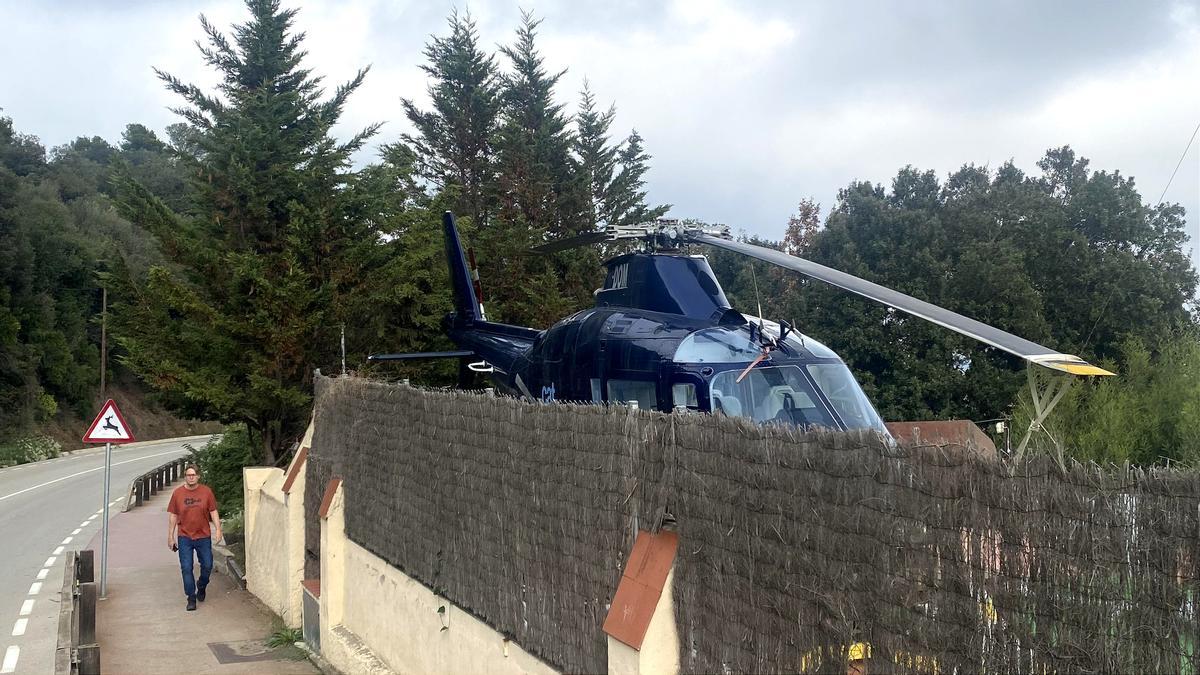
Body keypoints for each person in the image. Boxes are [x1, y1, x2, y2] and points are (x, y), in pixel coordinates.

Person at [166, 464, 222, 611]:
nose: (191, 477)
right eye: (188, 475)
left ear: (198, 476)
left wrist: (218, 529)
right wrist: (170, 536)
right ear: (185, 477)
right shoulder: (178, 494)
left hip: (203, 536)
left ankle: (202, 585)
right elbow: (173, 515)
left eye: (193, 475)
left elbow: (213, 511)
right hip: (184, 536)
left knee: (208, 565)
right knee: (186, 567)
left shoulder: (206, 492)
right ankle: (191, 597)